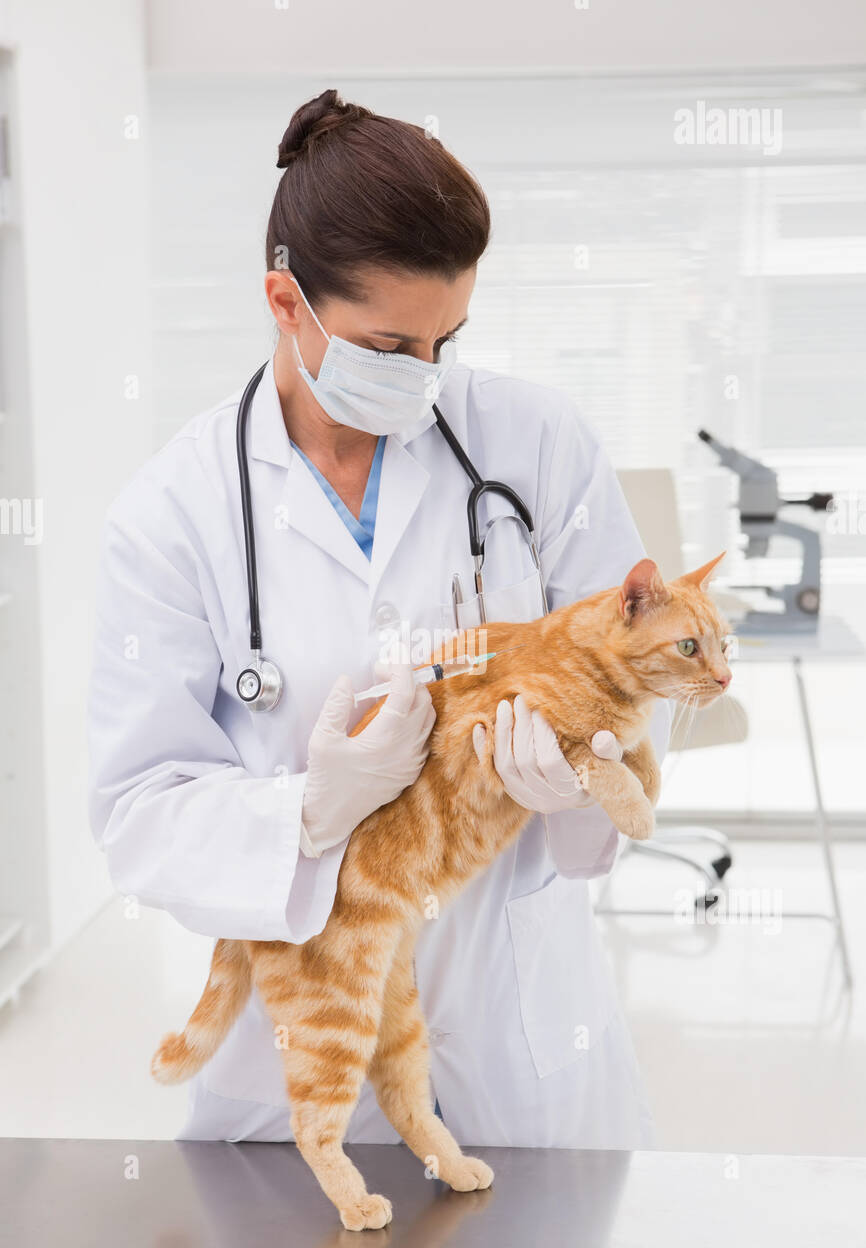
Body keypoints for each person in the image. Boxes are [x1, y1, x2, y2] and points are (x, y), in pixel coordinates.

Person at [87, 90, 669, 1148]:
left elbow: (638, 680)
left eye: (446, 339)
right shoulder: (174, 515)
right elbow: (139, 808)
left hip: (514, 1026)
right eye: (387, 344)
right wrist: (308, 810)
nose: (425, 378)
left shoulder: (532, 444)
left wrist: (584, 772)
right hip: (306, 1039)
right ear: (284, 300)